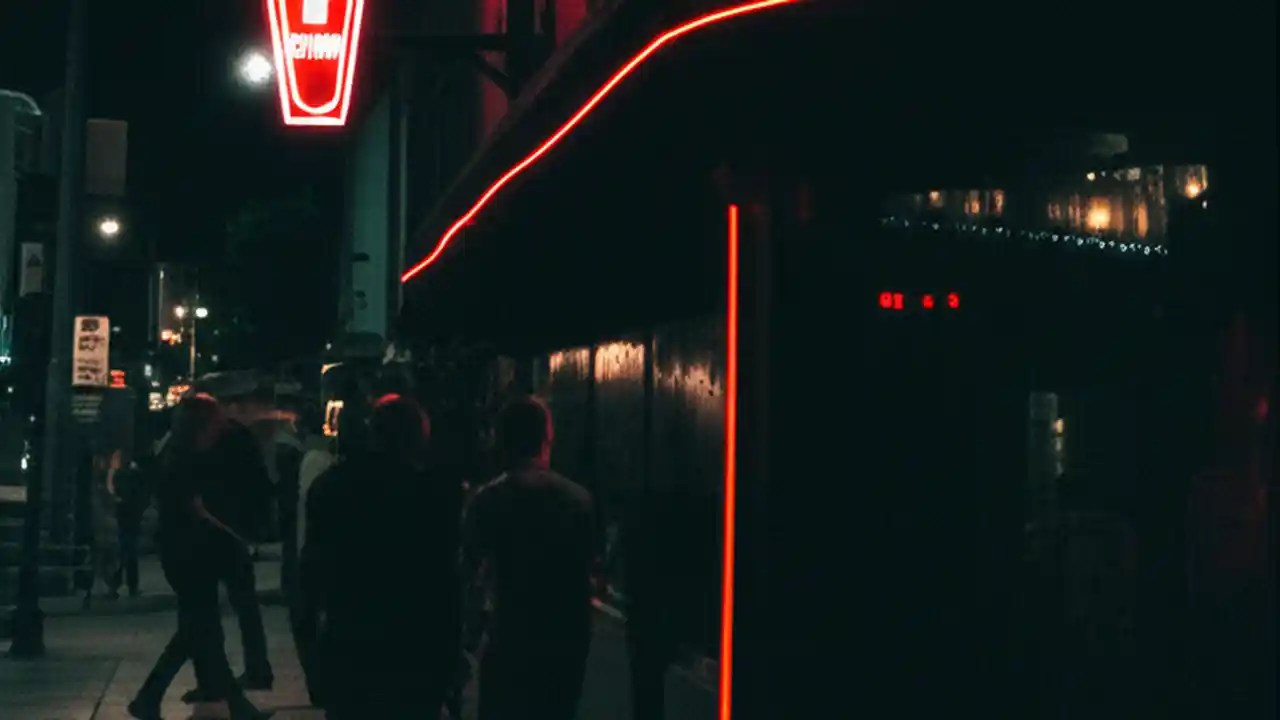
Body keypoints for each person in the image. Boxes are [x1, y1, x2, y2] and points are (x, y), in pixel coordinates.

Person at [302, 394, 461, 718]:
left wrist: (313, 656)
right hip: (415, 652)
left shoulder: (331, 487)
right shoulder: (434, 494)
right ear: (419, 438)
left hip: (351, 645)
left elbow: (311, 576)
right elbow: (446, 580)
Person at [127, 395, 271, 720]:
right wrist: (234, 536)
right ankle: (235, 706)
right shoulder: (183, 460)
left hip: (187, 555)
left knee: (197, 631)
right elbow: (197, 510)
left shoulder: (181, 454)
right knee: (201, 630)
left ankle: (150, 696)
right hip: (186, 555)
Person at [464, 396, 597, 720]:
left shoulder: (490, 498)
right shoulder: (578, 500)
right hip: (565, 639)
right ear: (546, 439)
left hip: (510, 637)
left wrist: (468, 638)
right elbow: (589, 573)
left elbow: (468, 573)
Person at [181, 390, 276, 702]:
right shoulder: (235, 437)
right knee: (242, 604)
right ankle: (250, 669)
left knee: (217, 607)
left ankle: (218, 676)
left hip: (219, 528)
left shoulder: (213, 440)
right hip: (229, 529)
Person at [112, 451, 154, 597]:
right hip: (131, 517)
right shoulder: (135, 475)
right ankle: (129, 585)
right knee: (129, 552)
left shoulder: (121, 475)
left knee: (126, 551)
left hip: (125, 517)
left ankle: (118, 583)